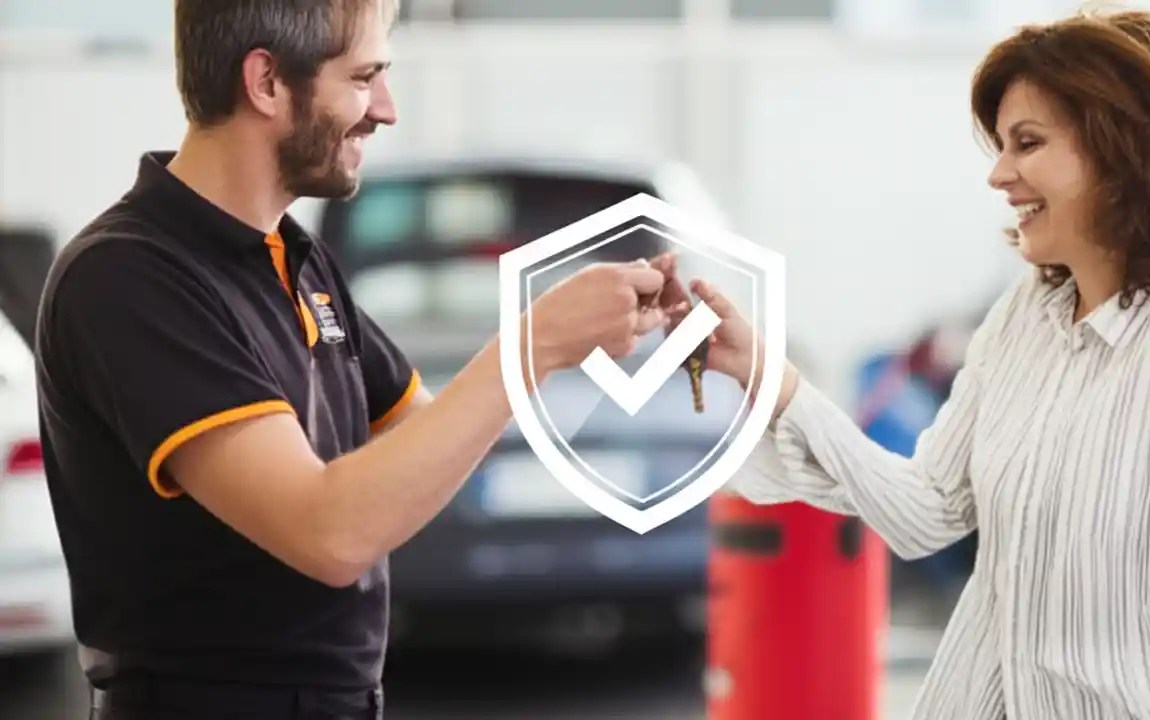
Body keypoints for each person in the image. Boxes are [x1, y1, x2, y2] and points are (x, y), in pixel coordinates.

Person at [33, 1, 680, 718]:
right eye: (365, 77)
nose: (387, 110)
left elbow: (421, 444)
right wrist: (534, 345)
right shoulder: (130, 278)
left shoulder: (295, 261)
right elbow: (330, 533)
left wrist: (575, 344)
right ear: (267, 82)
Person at [666, 9, 1150, 720]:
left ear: (1120, 156)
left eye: (1028, 143)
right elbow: (926, 511)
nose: (999, 174)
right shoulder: (1023, 318)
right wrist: (768, 379)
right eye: (1000, 145)